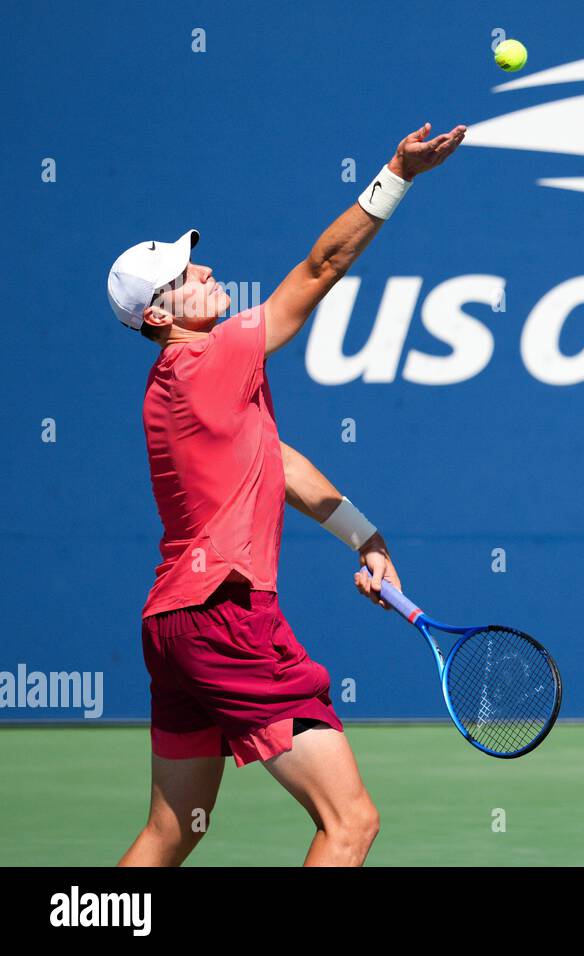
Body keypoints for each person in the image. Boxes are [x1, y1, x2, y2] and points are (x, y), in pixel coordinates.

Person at [107, 122, 467, 866]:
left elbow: (284, 466)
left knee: (172, 832)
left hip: (172, 628)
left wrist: (366, 538)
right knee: (350, 823)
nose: (207, 276)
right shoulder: (212, 358)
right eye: (187, 277)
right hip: (226, 617)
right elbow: (321, 267)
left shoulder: (175, 391)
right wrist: (397, 173)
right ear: (158, 317)